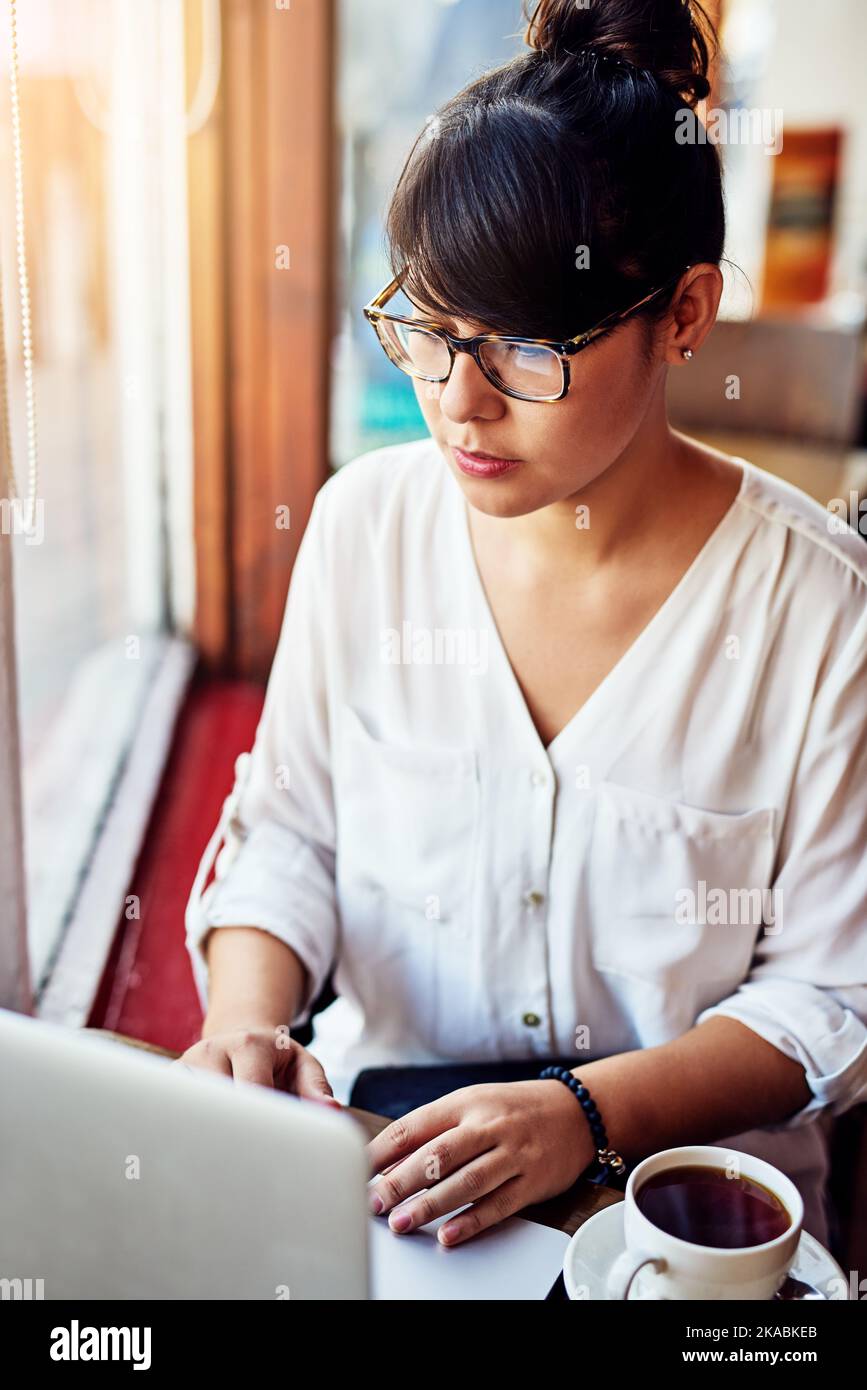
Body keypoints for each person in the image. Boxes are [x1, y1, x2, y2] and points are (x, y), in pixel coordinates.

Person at [181, 0, 867, 1251]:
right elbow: (288, 831)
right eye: (430, 334)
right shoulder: (364, 531)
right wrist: (249, 1024)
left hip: (682, 1213)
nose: (460, 404)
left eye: (528, 351)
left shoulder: (819, 614)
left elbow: (830, 995)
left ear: (686, 313)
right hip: (391, 1172)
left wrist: (583, 1116)